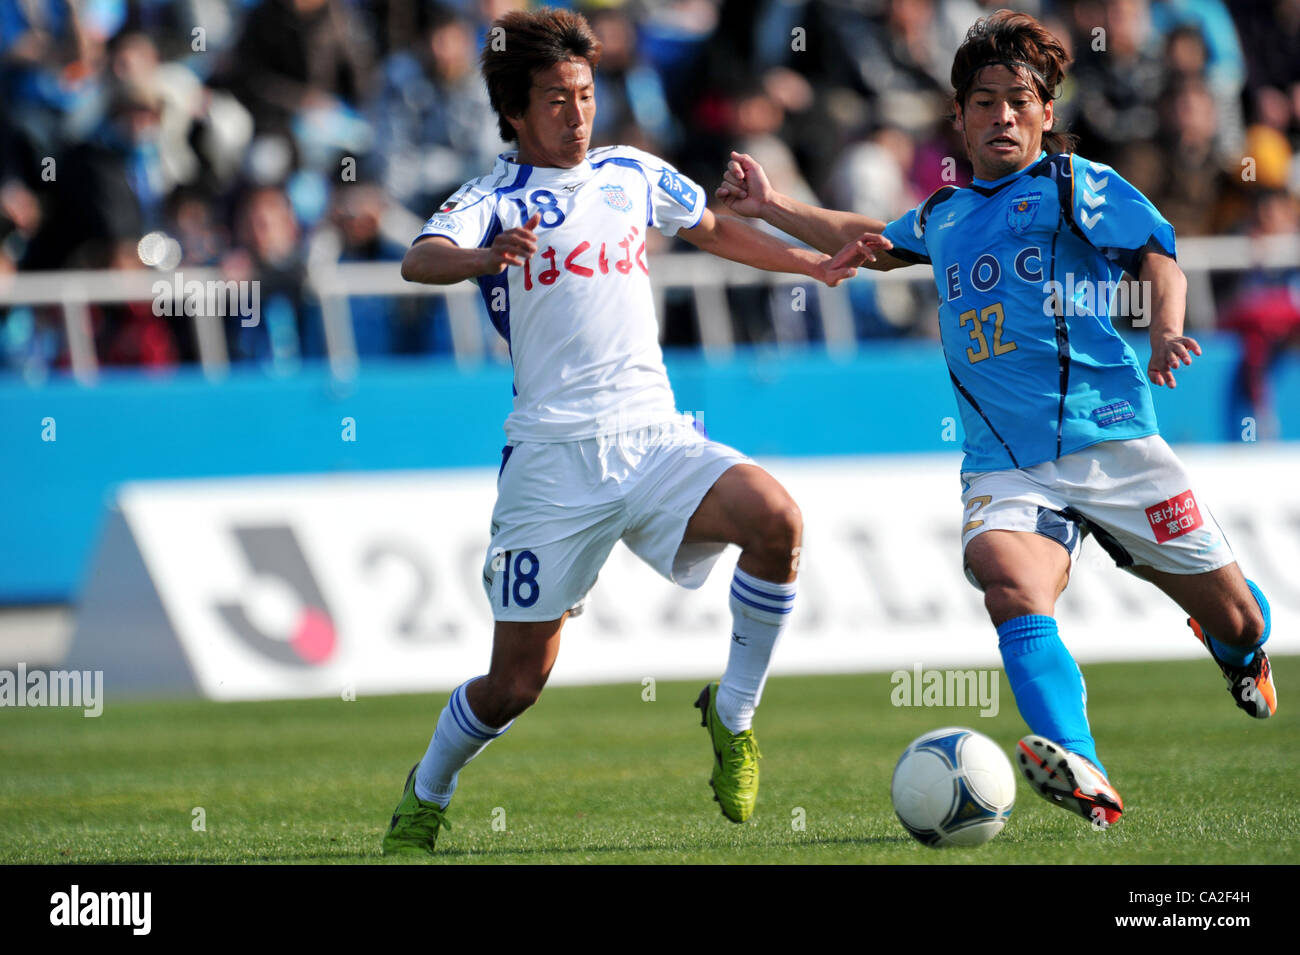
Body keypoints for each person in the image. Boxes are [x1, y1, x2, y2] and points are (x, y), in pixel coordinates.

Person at [717, 9, 1275, 829]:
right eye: (984, 102)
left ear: (1047, 114)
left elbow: (1156, 252)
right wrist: (772, 206)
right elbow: (867, 237)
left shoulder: (1071, 183)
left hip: (1114, 438)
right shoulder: (942, 215)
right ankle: (1082, 764)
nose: (1002, 115)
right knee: (1006, 579)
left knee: (1241, 615)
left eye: (1020, 100)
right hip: (1005, 460)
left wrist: (1163, 326)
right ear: (959, 119)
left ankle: (1234, 643)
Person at [383, 7, 854, 856]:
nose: (577, 111)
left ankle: (734, 714)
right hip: (552, 461)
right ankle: (429, 788)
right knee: (516, 684)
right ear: (516, 114)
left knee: (778, 521)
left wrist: (809, 262)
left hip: (655, 436)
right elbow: (420, 257)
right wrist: (483, 257)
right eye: (557, 98)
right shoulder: (491, 199)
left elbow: (712, 230)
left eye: (586, 92)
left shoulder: (631, 173)